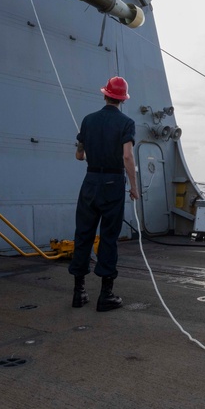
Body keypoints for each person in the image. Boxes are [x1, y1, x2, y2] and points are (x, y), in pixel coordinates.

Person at [69, 76, 140, 312]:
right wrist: (134, 186)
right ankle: (105, 295)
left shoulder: (88, 120)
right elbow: (127, 156)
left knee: (83, 235)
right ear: (123, 99)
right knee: (108, 237)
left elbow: (79, 155)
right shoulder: (126, 123)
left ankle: (79, 292)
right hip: (112, 183)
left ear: (105, 95)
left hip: (90, 182)